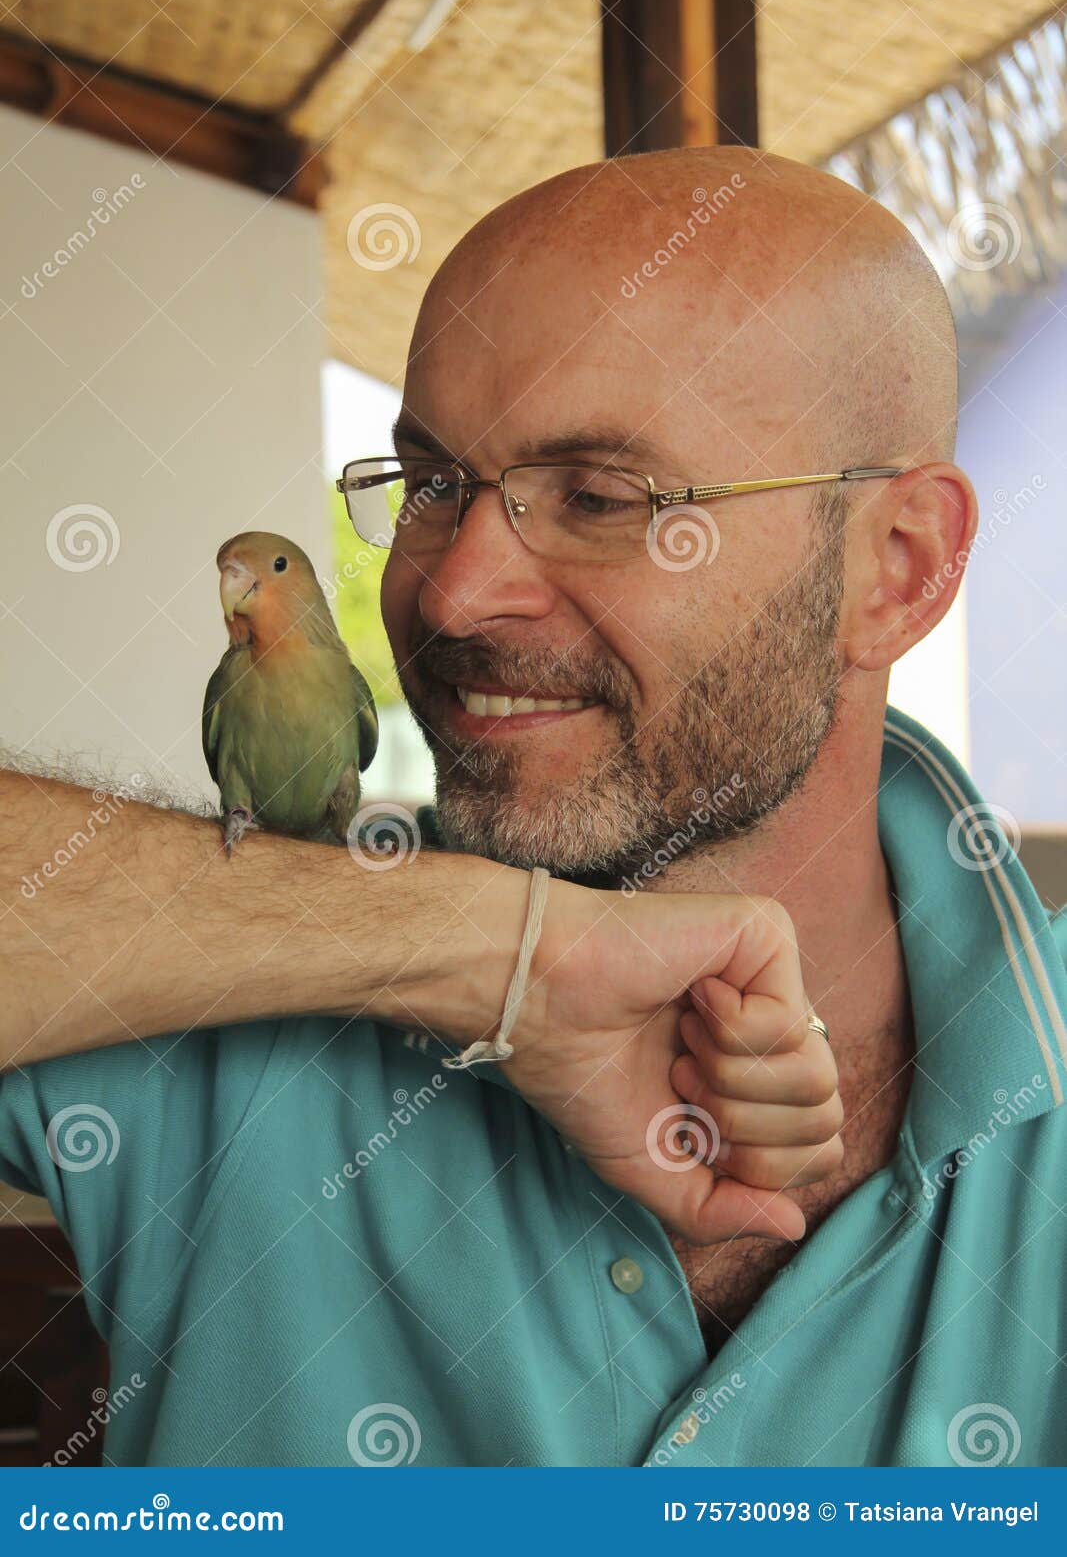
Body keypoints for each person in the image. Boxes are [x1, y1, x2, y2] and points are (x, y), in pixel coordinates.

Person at [2, 147, 1063, 1469]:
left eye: (603, 499)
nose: (448, 596)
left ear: (897, 571)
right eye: (435, 483)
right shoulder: (208, 997)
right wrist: (488, 956)